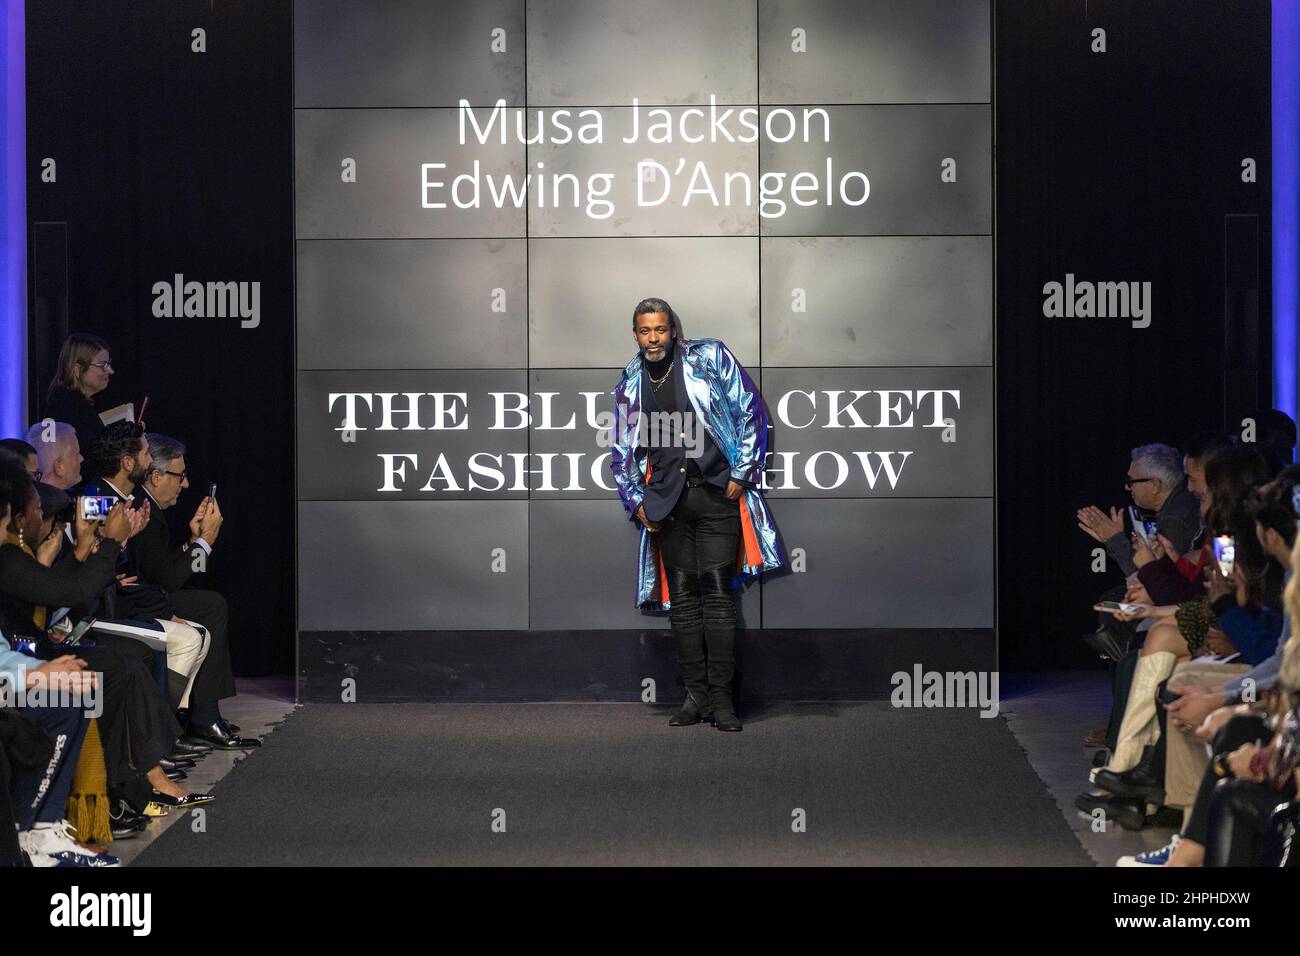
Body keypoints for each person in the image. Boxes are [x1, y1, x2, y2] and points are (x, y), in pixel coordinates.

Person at [608, 297, 784, 732]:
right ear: (635, 335)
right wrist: (636, 500)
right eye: (645, 331)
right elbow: (620, 448)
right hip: (667, 504)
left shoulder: (710, 357)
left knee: (721, 599)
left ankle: (723, 702)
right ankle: (695, 697)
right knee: (683, 604)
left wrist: (742, 472)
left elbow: (750, 410)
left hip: (715, 497)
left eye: (661, 330)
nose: (654, 339)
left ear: (674, 331)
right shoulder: (630, 382)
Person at [135, 433, 256, 748]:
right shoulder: (144, 510)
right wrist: (205, 542)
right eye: (180, 476)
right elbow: (169, 580)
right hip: (138, 604)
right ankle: (203, 718)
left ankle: (203, 715)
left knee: (207, 602)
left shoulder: (151, 509)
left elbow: (167, 571)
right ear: (156, 475)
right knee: (210, 605)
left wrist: (193, 542)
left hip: (149, 595)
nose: (185, 485)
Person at [43, 333, 113, 477]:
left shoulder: (77, 403)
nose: (110, 371)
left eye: (108, 364)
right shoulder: (67, 405)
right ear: (77, 370)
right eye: (102, 365)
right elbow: (90, 457)